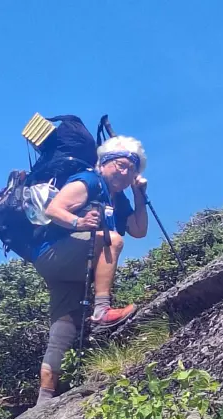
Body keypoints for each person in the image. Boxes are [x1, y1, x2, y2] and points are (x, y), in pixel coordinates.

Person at [31, 135, 150, 405]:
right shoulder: (89, 181)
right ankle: (102, 310)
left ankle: (44, 397)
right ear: (104, 163)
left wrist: (139, 195)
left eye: (131, 169)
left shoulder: (119, 200)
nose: (125, 173)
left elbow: (139, 230)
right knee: (112, 240)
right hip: (54, 253)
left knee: (64, 325)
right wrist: (79, 222)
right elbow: (54, 209)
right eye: (120, 165)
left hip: (71, 266)